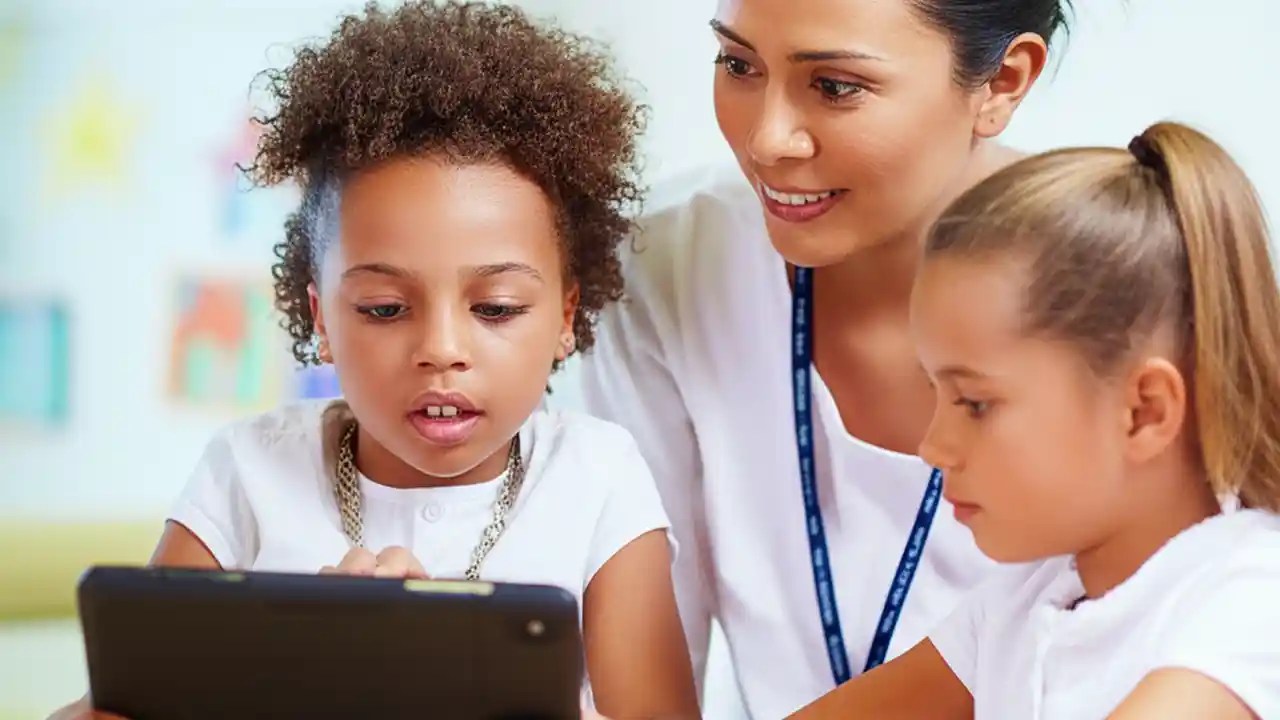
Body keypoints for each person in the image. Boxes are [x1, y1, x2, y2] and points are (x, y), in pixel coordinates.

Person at [51, 2, 698, 718]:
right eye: (385, 309)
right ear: (322, 319)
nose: (442, 350)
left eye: (496, 308)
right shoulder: (248, 471)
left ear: (565, 318)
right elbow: (112, 707)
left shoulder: (597, 479)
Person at [581, 0, 1069, 715]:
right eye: (739, 64)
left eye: (836, 86)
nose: (766, 141)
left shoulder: (1129, 296)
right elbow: (641, 686)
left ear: (1003, 82)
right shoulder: (668, 268)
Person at [793, 121, 1280, 718]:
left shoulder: (1248, 605)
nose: (933, 447)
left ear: (1144, 411)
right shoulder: (1024, 601)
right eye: (935, 393)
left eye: (974, 404)